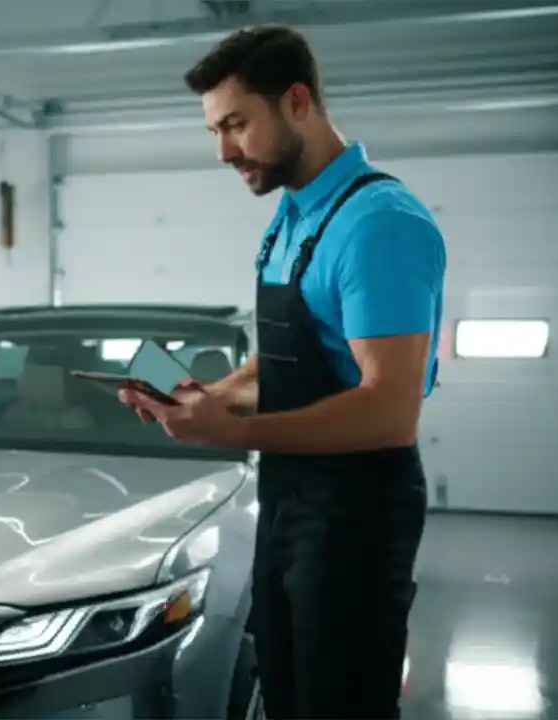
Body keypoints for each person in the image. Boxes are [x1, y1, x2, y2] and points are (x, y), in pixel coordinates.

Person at [120, 24, 446, 719]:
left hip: (359, 508)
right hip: (291, 496)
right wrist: (208, 396)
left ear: (296, 101)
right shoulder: (292, 218)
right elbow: (286, 360)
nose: (222, 151)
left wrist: (228, 432)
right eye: (214, 130)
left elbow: (389, 411)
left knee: (340, 701)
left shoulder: (378, 223)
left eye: (236, 124)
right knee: (288, 693)